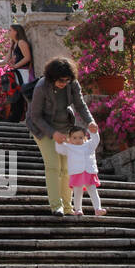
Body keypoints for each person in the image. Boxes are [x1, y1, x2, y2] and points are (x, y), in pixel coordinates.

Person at [26, 57, 99, 216]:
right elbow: (35, 116)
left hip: (65, 127)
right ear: (52, 77)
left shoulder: (72, 84)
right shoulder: (41, 87)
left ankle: (68, 206)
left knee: (67, 169)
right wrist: (53, 133)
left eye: (67, 80)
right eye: (60, 80)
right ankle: (56, 206)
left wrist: (90, 122)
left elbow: (80, 105)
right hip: (42, 128)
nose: (64, 83)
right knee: (53, 166)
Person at [57, 127, 105, 216]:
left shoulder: (89, 146)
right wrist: (59, 142)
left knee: (93, 191)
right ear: (70, 139)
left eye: (80, 137)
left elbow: (96, 140)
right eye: (74, 138)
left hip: (89, 172)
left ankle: (98, 208)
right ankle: (78, 209)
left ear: (85, 138)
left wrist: (94, 132)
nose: (78, 140)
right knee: (77, 192)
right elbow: (60, 149)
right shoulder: (69, 147)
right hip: (77, 173)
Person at [5, 24, 35, 122]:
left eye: (10, 30)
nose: (8, 32)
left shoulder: (22, 42)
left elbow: (27, 57)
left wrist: (15, 66)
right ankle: (16, 116)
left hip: (24, 72)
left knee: (25, 95)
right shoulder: (15, 44)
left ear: (16, 31)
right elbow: (7, 60)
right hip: (18, 72)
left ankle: (25, 117)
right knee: (17, 95)